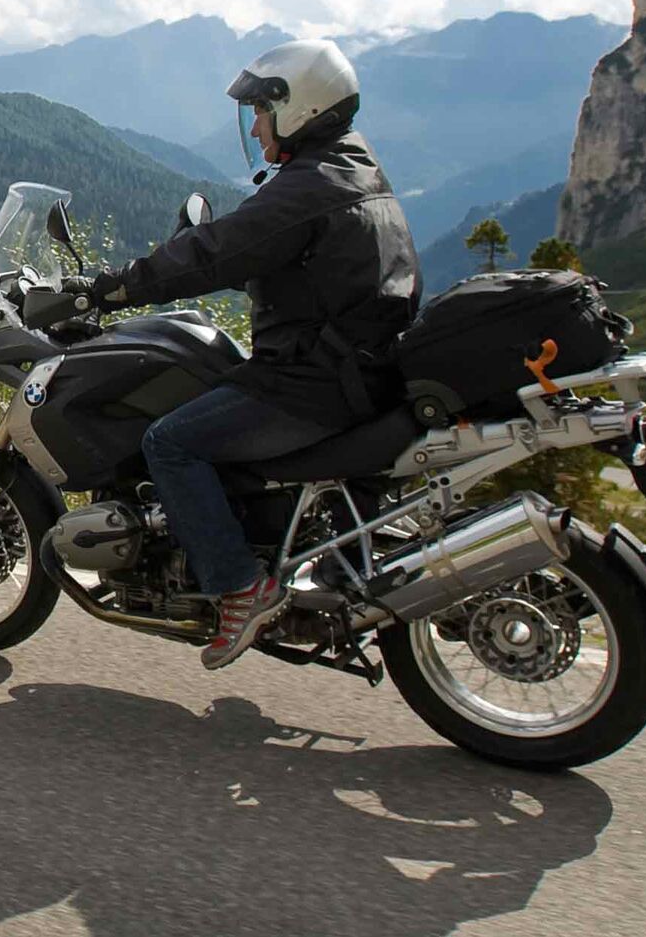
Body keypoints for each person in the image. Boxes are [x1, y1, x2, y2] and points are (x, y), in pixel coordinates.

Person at [82, 39, 418, 670]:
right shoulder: (354, 167)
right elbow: (304, 266)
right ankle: (337, 579)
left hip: (315, 382)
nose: (255, 126)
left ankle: (240, 587)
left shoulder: (308, 186)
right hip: (368, 371)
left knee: (171, 442)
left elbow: (217, 249)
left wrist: (118, 285)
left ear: (301, 107)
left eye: (263, 111)